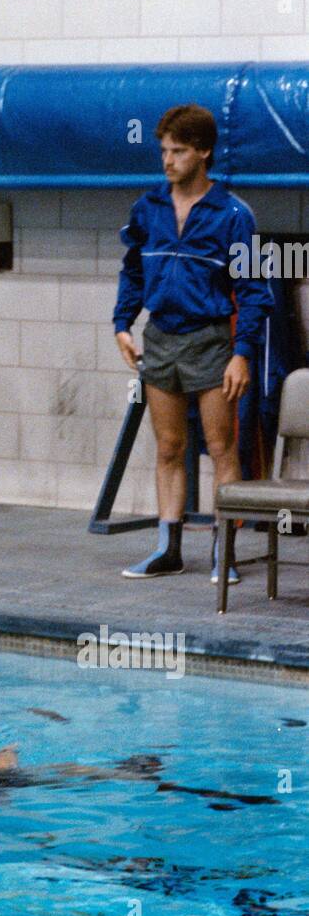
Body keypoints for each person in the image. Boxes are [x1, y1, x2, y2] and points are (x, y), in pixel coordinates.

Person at [113, 104, 273, 583]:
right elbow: (133, 270)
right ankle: (169, 548)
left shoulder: (233, 214)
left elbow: (253, 290)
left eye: (178, 151)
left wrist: (242, 353)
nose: (167, 160)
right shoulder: (148, 207)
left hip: (211, 341)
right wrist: (123, 322)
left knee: (222, 448)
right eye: (163, 150)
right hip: (160, 337)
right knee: (168, 447)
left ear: (203, 152)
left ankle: (225, 552)